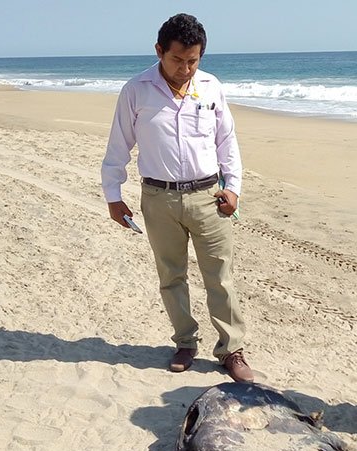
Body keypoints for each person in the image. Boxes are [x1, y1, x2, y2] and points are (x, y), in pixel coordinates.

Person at [101, 13, 253, 382]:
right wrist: (113, 196)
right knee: (171, 276)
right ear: (159, 51)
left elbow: (226, 142)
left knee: (220, 277)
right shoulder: (136, 90)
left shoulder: (211, 86)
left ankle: (231, 350)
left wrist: (233, 188)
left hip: (208, 197)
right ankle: (185, 342)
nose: (185, 68)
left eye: (193, 61)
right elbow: (118, 145)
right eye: (177, 60)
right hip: (158, 197)